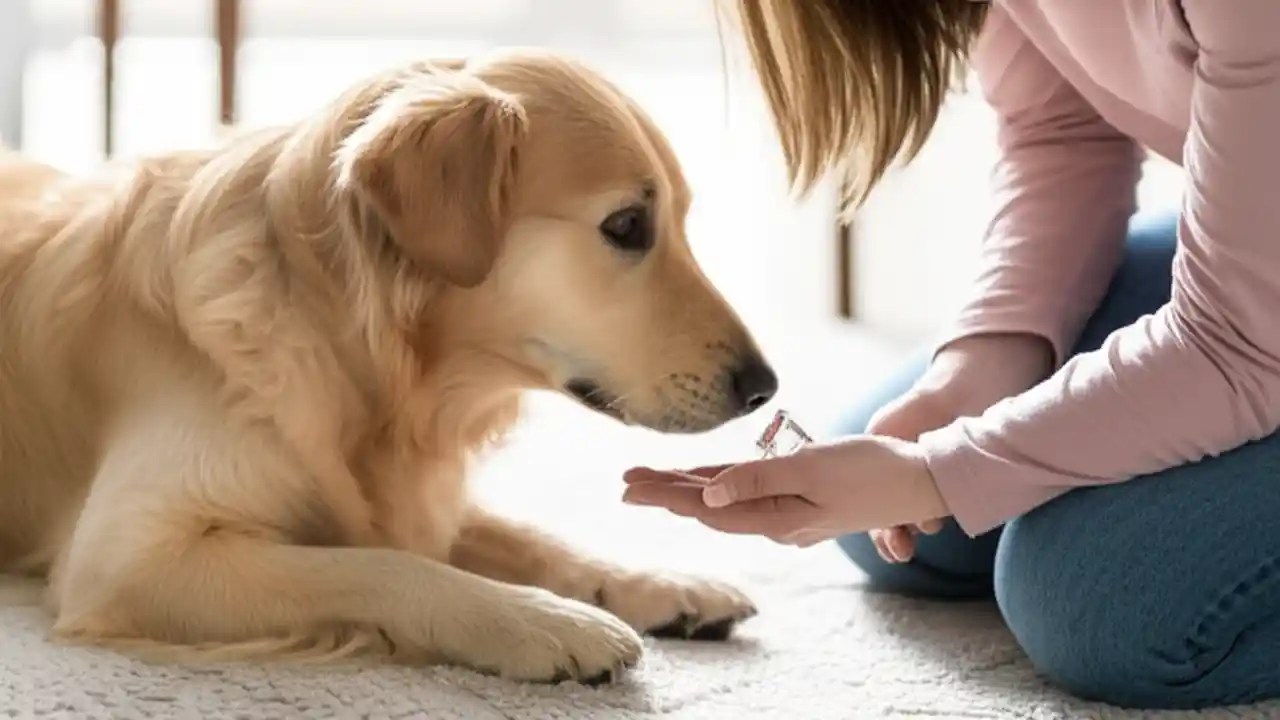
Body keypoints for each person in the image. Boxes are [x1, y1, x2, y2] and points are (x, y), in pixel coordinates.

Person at [622, 0, 1280, 710]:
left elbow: (1236, 347)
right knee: (903, 520)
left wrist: (943, 471)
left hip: (1246, 331)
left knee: (1094, 605)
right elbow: (1061, 134)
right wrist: (972, 377)